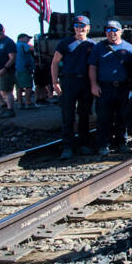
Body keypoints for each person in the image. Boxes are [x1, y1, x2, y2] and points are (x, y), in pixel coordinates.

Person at [89, 20, 132, 157]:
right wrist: (94, 84)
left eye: (114, 30)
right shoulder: (98, 47)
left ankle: (122, 143)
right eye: (108, 30)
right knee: (104, 118)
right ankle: (103, 145)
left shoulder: (129, 48)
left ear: (120, 31)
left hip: (123, 87)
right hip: (105, 87)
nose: (112, 33)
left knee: (123, 117)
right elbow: (92, 67)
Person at [52, 15, 95, 159]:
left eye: (82, 26)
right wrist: (55, 81)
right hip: (69, 82)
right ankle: (67, 146)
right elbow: (55, 62)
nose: (79, 29)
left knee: (84, 115)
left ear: (88, 28)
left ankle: (84, 144)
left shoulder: (92, 45)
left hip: (85, 82)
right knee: (67, 115)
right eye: (77, 26)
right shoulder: (65, 43)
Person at [0, 24, 17, 118]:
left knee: (6, 91)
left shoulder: (8, 42)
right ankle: (3, 106)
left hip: (6, 71)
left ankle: (10, 110)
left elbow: (12, 57)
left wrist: (5, 68)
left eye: (0, 30)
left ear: (3, 30)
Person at [15, 33, 35, 109]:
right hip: (25, 68)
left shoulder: (15, 45)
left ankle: (20, 103)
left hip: (17, 68)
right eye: (27, 38)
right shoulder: (23, 45)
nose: (29, 40)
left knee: (19, 87)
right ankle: (28, 103)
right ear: (21, 38)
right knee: (28, 86)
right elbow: (33, 49)